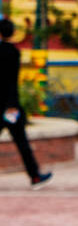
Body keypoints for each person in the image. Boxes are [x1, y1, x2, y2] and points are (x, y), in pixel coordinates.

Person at [0, 18, 52, 186]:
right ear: (13, 33)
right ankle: (35, 176)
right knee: (22, 143)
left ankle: (35, 175)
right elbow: (12, 81)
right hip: (10, 107)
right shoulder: (14, 53)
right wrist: (12, 104)